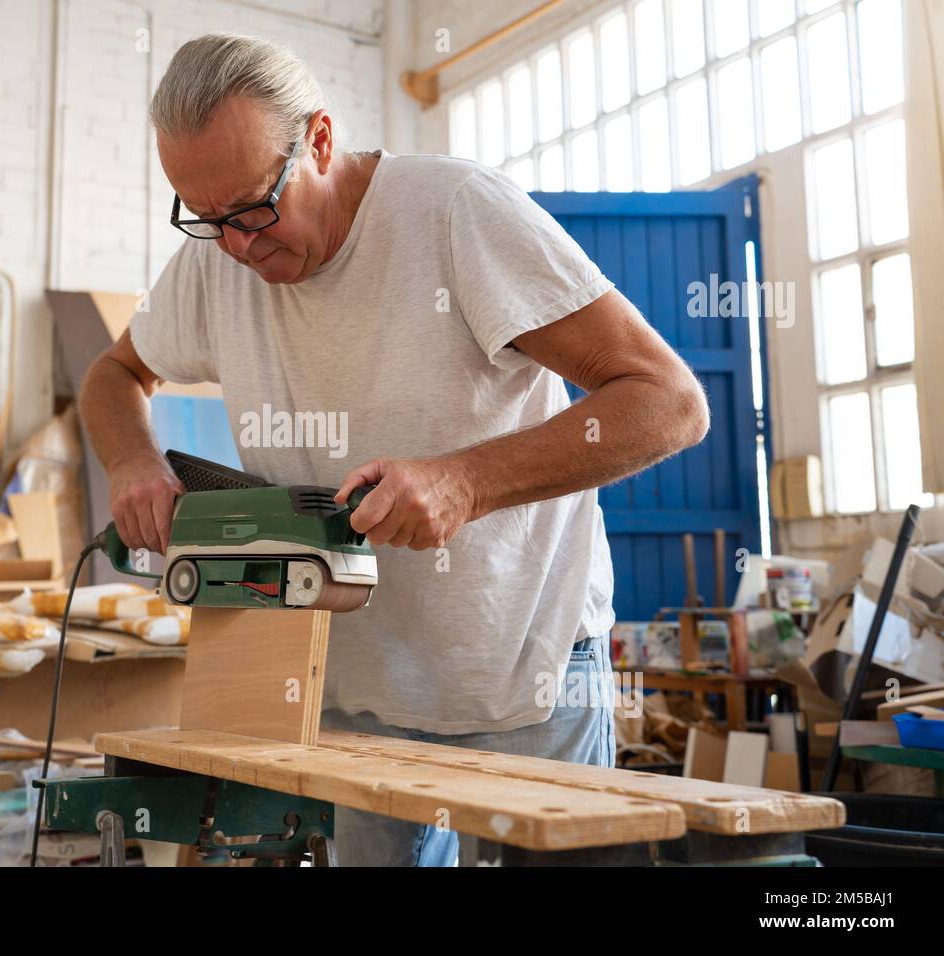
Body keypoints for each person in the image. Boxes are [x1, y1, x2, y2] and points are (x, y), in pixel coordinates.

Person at [79, 33, 709, 866]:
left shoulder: (456, 213)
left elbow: (668, 402)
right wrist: (133, 463)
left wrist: (466, 484)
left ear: (323, 141)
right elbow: (113, 374)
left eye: (254, 209)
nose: (237, 246)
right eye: (206, 218)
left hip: (523, 677)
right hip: (349, 692)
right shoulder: (218, 263)